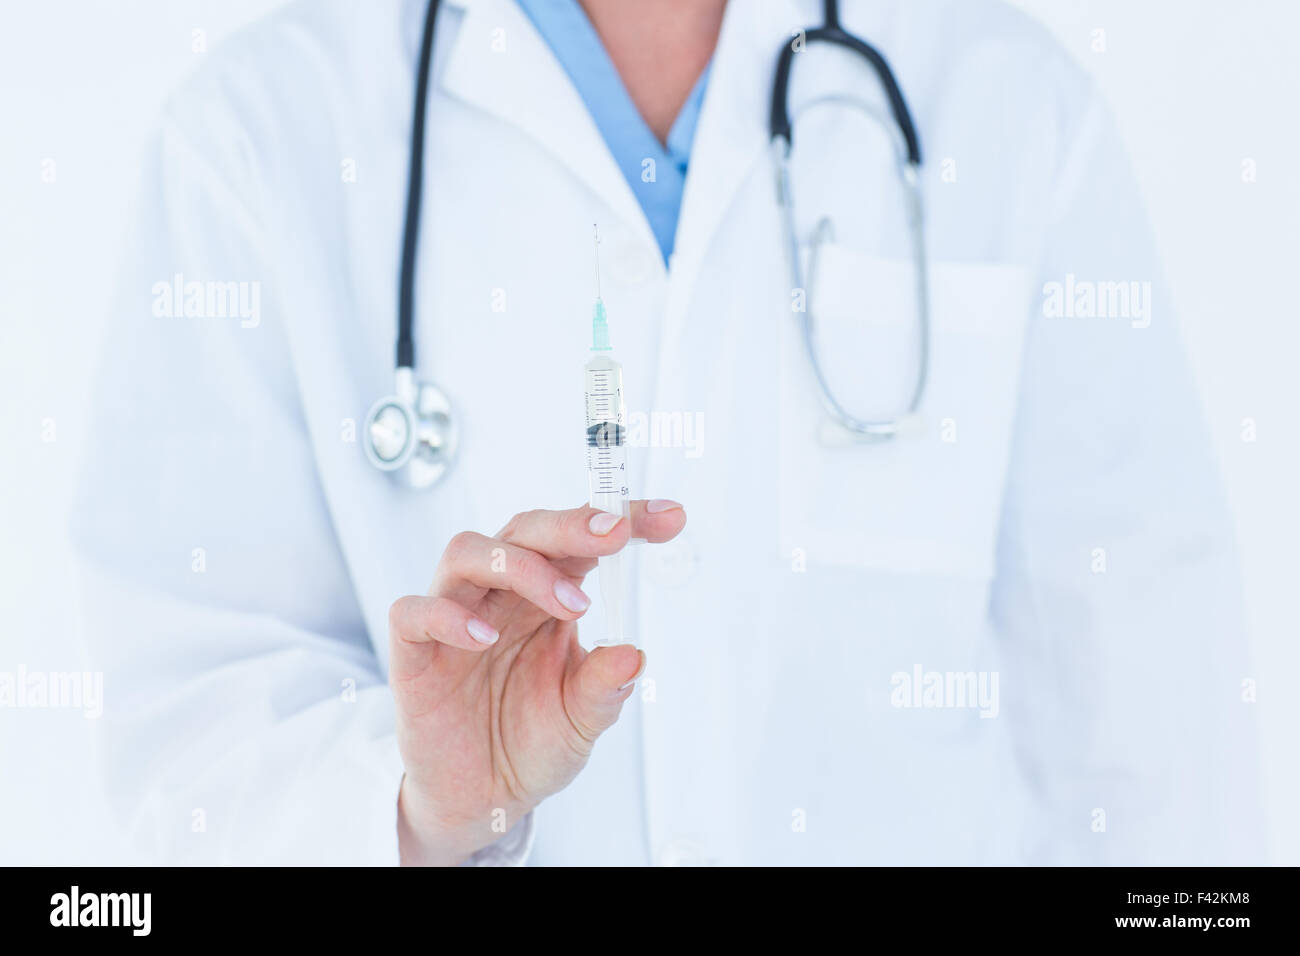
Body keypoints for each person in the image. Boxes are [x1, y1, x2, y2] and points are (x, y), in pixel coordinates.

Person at [71, 0, 1261, 865]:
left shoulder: (1008, 101)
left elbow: (1149, 712)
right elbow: (194, 735)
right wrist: (418, 811)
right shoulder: (258, 133)